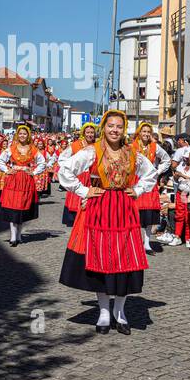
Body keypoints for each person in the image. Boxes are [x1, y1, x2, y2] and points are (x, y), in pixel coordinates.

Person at [58, 109, 157, 334]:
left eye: (119, 127)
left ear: (124, 130)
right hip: (100, 208)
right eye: (111, 126)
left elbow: (151, 173)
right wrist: (83, 190)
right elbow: (65, 170)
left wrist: (139, 189)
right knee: (100, 258)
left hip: (124, 209)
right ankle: (103, 312)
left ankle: (120, 312)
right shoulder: (92, 151)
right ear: (104, 127)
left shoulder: (132, 154)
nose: (115, 130)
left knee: (124, 260)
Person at [0, 123, 42, 245]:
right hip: (14, 180)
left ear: (28, 135)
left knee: (22, 207)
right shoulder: (11, 148)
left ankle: (19, 235)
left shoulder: (33, 149)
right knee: (13, 206)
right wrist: (7, 170)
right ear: (17, 135)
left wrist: (34, 172)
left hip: (26, 180)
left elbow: (42, 162)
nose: (22, 135)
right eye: (20, 133)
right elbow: (0, 160)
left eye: (24, 133)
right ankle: (13, 236)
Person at [133, 122, 171, 253]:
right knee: (135, 213)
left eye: (148, 132)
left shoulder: (155, 147)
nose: (146, 134)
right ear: (139, 132)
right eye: (144, 131)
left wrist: (157, 171)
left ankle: (147, 243)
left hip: (150, 182)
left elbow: (166, 159)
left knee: (149, 213)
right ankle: (136, 241)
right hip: (135, 181)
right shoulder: (131, 146)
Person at [61, 122, 99, 228]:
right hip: (79, 177)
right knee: (76, 198)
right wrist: (71, 170)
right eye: (88, 132)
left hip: (92, 178)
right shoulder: (76, 145)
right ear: (83, 133)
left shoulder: (98, 145)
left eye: (92, 132)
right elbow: (63, 158)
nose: (90, 135)